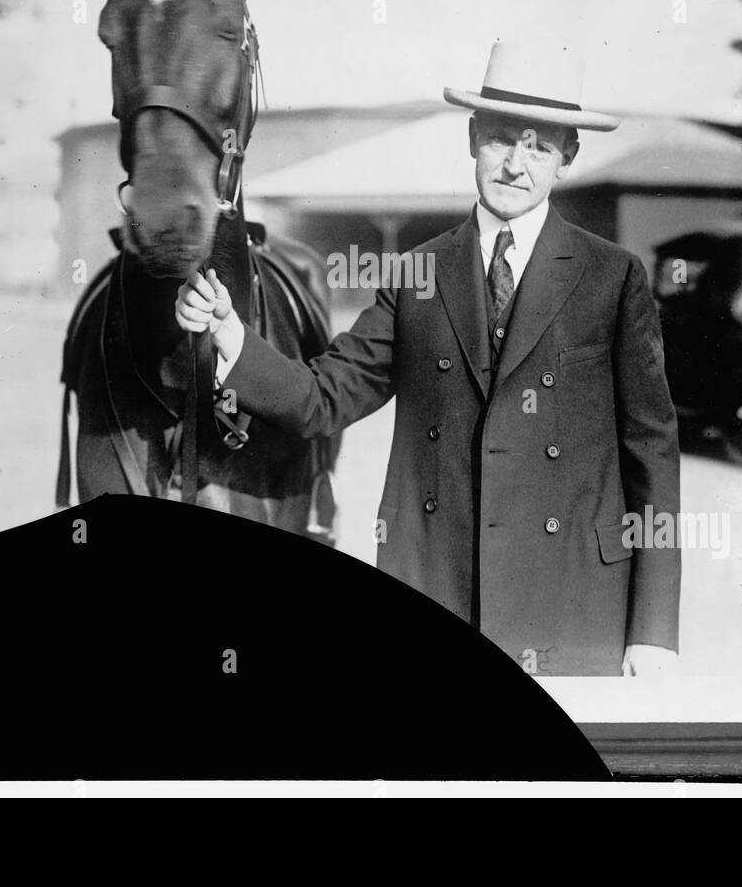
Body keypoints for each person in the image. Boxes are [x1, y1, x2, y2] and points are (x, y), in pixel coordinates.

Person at [178, 41, 681, 676]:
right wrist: (229, 334)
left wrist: (654, 631)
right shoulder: (416, 273)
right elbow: (322, 397)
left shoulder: (614, 278)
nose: (515, 166)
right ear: (473, 138)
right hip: (437, 583)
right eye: (501, 140)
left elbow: (652, 453)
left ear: (567, 159)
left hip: (575, 599)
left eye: (540, 148)